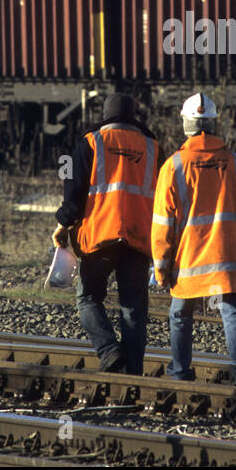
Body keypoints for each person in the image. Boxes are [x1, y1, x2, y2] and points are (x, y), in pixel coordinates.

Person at [151, 93, 236, 387]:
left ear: (186, 124)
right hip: (227, 259)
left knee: (179, 315)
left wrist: (160, 268)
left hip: (188, 262)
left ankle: (180, 373)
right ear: (212, 125)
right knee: (232, 312)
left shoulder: (174, 166)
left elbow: (162, 225)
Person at [52, 93, 158, 374]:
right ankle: (133, 372)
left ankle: (110, 351)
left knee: (88, 299)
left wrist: (63, 224)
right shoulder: (153, 147)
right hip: (139, 239)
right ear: (133, 117)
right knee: (133, 309)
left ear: (106, 116)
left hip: (100, 237)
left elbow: (72, 192)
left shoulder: (91, 142)